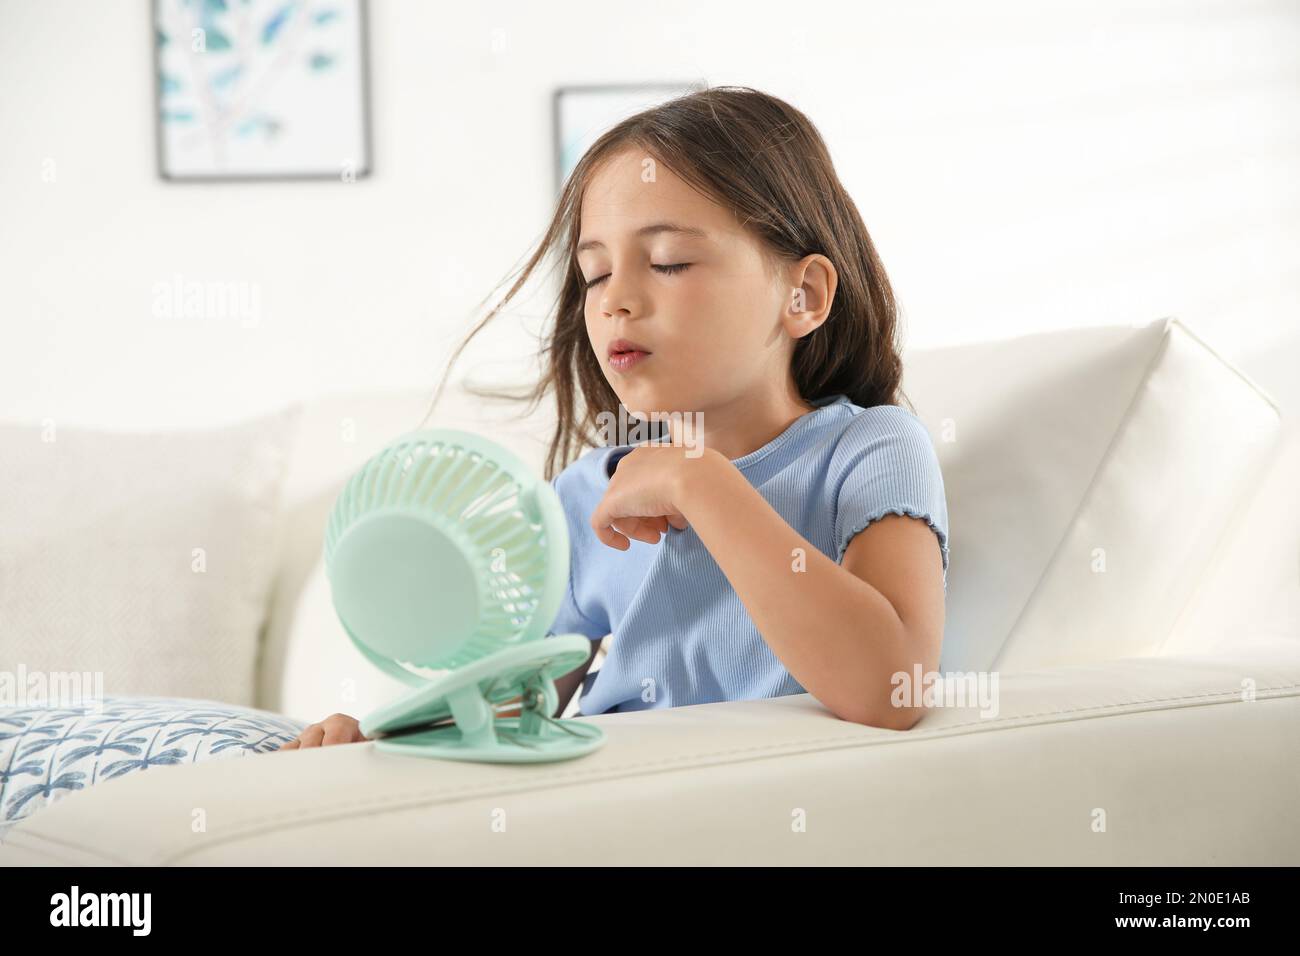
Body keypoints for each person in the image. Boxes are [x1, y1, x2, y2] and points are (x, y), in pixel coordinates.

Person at [279, 85, 949, 751]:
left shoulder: (872, 449)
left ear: (802, 294)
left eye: (668, 262)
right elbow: (502, 710)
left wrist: (701, 483)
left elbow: (891, 691)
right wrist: (378, 738)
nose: (615, 301)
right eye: (595, 274)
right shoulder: (588, 495)